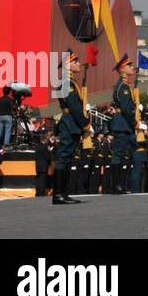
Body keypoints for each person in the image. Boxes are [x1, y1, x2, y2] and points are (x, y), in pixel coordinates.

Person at [52, 50, 89, 205]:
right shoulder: (66, 81)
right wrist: (85, 123)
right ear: (68, 65)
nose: (78, 64)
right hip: (69, 122)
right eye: (75, 62)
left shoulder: (70, 81)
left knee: (67, 158)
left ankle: (63, 193)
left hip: (72, 123)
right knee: (63, 157)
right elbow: (73, 105)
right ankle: (58, 194)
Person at [108, 55, 137, 194]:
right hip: (122, 123)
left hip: (123, 123)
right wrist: (134, 122)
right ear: (123, 69)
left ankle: (119, 184)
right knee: (118, 155)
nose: (132, 68)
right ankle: (115, 186)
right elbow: (126, 108)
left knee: (122, 154)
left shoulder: (124, 85)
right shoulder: (123, 86)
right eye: (129, 65)